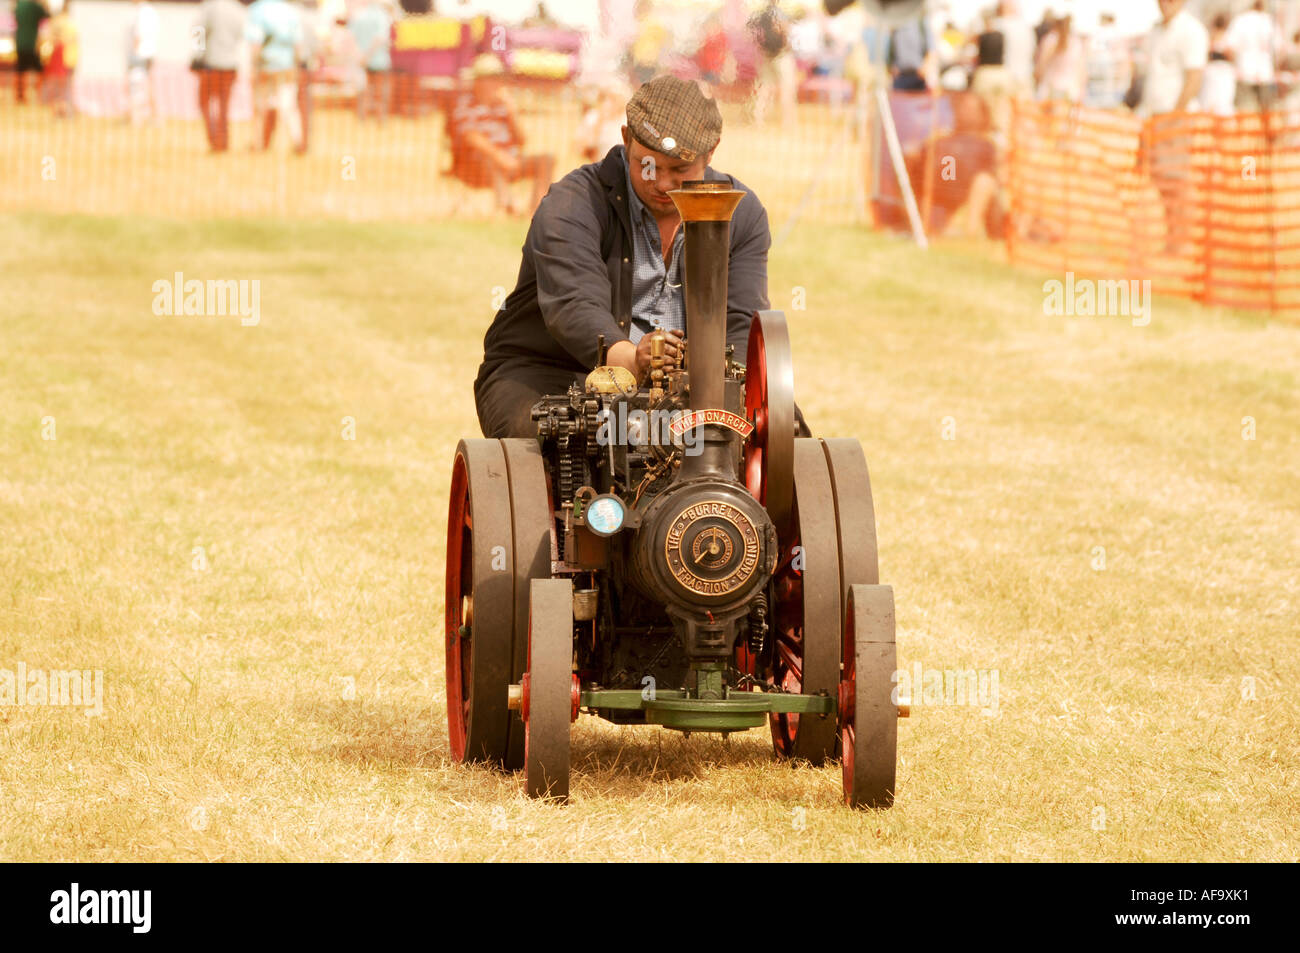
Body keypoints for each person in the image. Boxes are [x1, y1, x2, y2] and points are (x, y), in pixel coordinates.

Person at [472, 75, 771, 441]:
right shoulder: (573, 204)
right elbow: (574, 304)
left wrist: (727, 392)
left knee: (782, 442)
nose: (662, 183)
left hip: (690, 386)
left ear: (711, 154)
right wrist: (633, 360)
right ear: (626, 138)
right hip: (552, 370)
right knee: (569, 443)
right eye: (648, 166)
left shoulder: (741, 213)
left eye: (679, 170)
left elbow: (742, 320)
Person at [1137, 0, 1208, 256]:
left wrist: (1175, 116)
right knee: (1160, 179)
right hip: (1155, 117)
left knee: (1176, 181)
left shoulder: (1191, 30)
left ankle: (1182, 239)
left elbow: (1194, 78)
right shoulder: (1156, 30)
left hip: (1176, 119)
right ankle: (1174, 235)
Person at [446, 53, 555, 216]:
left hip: (510, 161)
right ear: (477, 81)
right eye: (490, 79)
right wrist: (500, 157)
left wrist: (512, 112)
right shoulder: (465, 105)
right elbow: (471, 137)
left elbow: (522, 140)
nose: (495, 84)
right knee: (491, 160)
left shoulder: (503, 106)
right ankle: (506, 209)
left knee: (546, 160)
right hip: (475, 166)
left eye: (496, 79)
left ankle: (534, 213)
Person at [246, 0, 304, 152]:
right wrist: (297, 66)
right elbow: (298, 44)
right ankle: (297, 141)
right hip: (287, 67)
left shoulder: (257, 10)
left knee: (260, 108)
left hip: (265, 67)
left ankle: (258, 143)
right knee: (288, 106)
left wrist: (253, 66)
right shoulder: (291, 11)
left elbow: (255, 42)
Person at [196, 0, 245, 152]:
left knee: (205, 103)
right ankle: (223, 141)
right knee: (224, 106)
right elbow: (240, 35)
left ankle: (214, 140)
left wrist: (197, 56)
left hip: (212, 63)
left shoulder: (210, 7)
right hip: (231, 64)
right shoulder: (238, 9)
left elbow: (198, 31)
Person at [1225, 0, 1278, 112]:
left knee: (1246, 115)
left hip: (1245, 73)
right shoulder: (1270, 21)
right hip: (1266, 74)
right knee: (1267, 115)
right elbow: (1278, 50)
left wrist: (1234, 66)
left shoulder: (1241, 20)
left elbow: (1229, 48)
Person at [750, 0, 796, 124]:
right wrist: (787, 46)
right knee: (787, 86)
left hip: (766, 55)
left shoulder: (762, 15)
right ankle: (788, 120)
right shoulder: (780, 13)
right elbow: (784, 30)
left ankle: (758, 116)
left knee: (765, 86)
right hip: (781, 54)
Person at [348, 0, 393, 121]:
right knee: (380, 92)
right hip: (379, 61)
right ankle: (380, 118)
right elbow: (380, 38)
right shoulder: (382, 15)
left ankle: (362, 118)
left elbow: (351, 38)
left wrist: (360, 56)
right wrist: (368, 55)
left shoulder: (358, 15)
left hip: (361, 60)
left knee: (364, 91)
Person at [1034, 14, 1085, 102]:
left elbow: (1040, 66)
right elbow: (1082, 70)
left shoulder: (1050, 40)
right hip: (1071, 90)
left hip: (1049, 89)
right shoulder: (1076, 42)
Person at [126, 0, 158, 122]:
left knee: (136, 87)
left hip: (139, 54)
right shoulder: (151, 11)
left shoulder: (141, 12)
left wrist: (133, 55)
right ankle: (154, 117)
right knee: (148, 85)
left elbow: (138, 35)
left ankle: (136, 118)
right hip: (149, 53)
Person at [44, 0, 78, 117]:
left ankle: (61, 109)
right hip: (64, 56)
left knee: (61, 85)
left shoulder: (59, 21)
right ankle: (61, 109)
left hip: (64, 56)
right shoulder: (65, 21)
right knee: (63, 85)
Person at [14, 0, 50, 105]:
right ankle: (40, 95)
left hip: (19, 42)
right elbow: (47, 15)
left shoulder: (20, 4)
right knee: (40, 69)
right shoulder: (35, 6)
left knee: (21, 69)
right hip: (31, 44)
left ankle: (20, 96)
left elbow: (16, 17)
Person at [886, 15, 934, 92]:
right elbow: (891, 48)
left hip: (918, 76)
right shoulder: (895, 23)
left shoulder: (921, 22)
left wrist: (925, 68)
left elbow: (931, 49)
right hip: (899, 77)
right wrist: (892, 68)